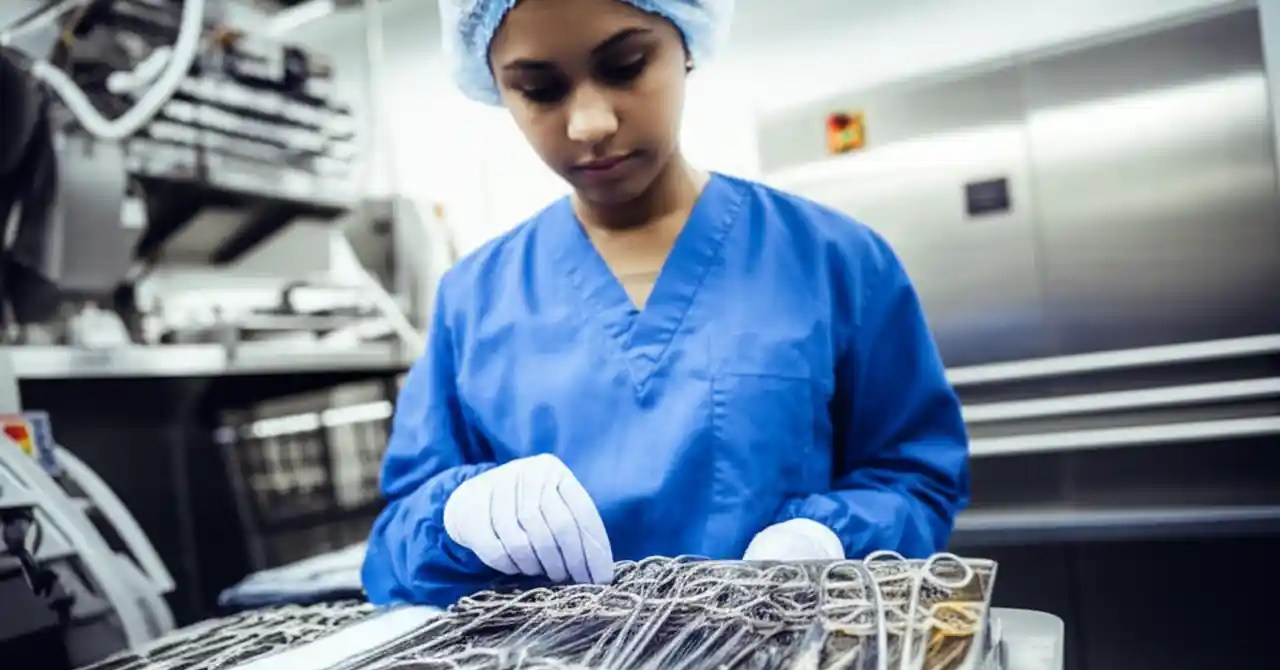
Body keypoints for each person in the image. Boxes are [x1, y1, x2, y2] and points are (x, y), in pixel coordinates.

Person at [362, 0, 969, 607]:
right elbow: (394, 546)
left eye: (625, 66)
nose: (589, 124)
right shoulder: (473, 298)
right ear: (496, 87)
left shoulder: (835, 259)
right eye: (540, 89)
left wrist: (832, 539)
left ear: (686, 45)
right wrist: (457, 517)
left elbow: (915, 477)